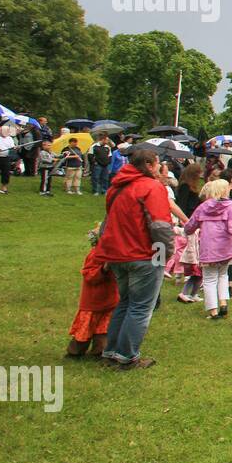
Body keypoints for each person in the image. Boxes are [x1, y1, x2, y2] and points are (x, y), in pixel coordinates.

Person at [95, 147, 171, 370]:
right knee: (140, 307)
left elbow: (107, 221)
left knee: (125, 302)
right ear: (149, 164)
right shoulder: (151, 187)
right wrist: (165, 252)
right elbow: (160, 226)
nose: (158, 168)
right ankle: (127, 356)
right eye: (157, 164)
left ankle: (111, 351)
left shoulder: (117, 187)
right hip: (144, 254)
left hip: (117, 253)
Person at [183, 178, 232, 320]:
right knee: (223, 275)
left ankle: (213, 311)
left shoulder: (204, 207)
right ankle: (223, 302)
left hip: (209, 249)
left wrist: (186, 232)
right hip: (226, 248)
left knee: (210, 279)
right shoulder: (231, 206)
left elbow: (191, 225)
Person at [65, 246, 118, 359]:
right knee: (85, 328)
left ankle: (100, 351)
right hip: (93, 300)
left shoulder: (118, 253)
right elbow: (89, 274)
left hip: (109, 298)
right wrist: (104, 269)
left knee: (104, 328)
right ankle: (75, 351)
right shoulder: (96, 253)